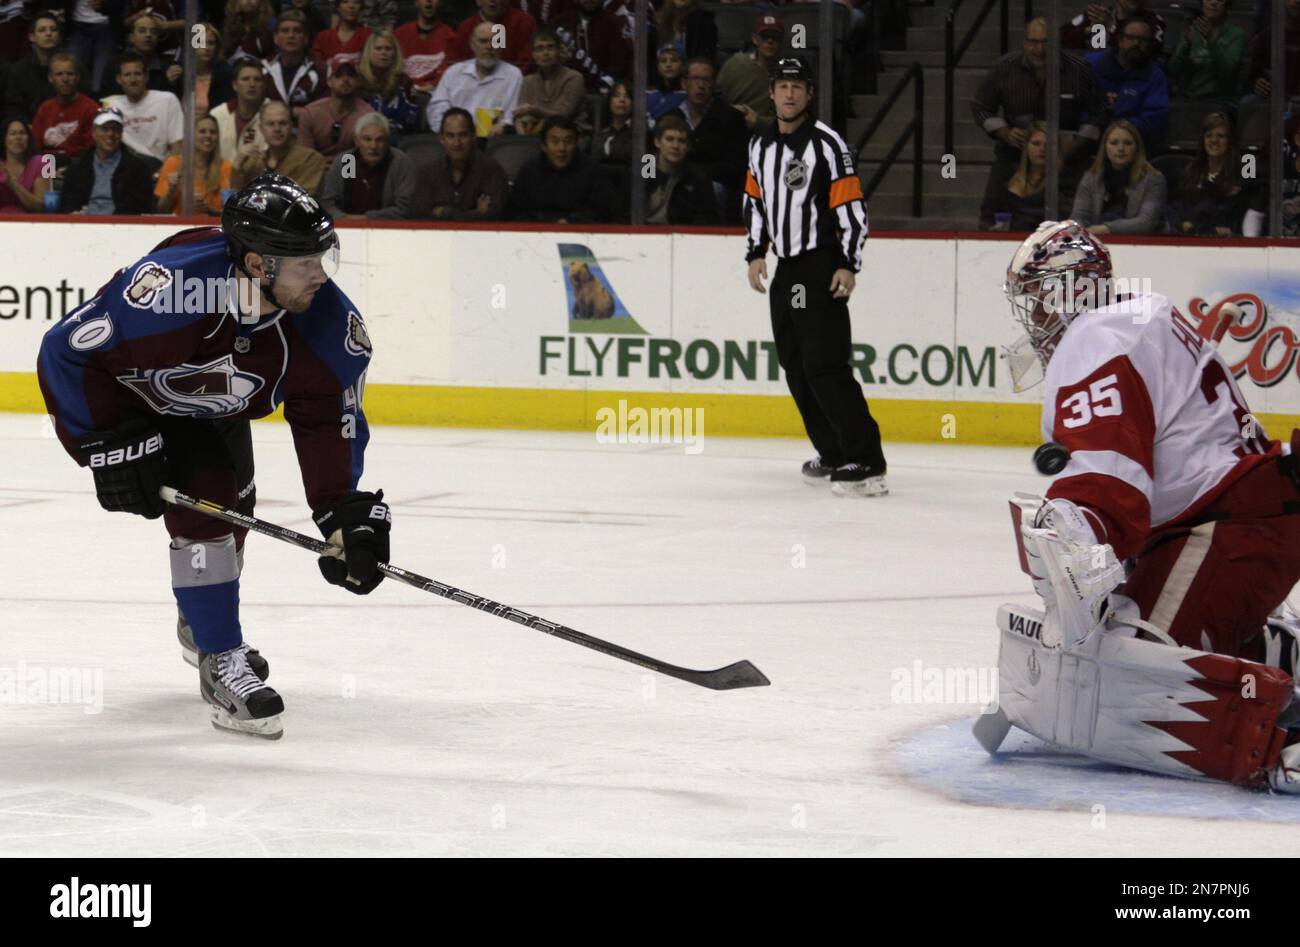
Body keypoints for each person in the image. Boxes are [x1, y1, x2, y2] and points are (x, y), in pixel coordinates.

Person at [37, 171, 387, 740]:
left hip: (214, 407)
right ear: (257, 266)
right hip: (133, 401)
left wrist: (340, 510)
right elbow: (65, 352)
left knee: (235, 512)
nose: (321, 276)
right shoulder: (167, 294)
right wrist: (103, 445)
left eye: (324, 258)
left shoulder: (327, 325)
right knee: (208, 508)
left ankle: (202, 624)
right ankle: (222, 659)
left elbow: (328, 419)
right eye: (305, 264)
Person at [996, 219, 1300, 791]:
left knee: (1130, 676)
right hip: (1240, 516)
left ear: (1072, 290)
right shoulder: (1139, 316)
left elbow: (1114, 479)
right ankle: (1270, 648)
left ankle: (1281, 743)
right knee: (1129, 641)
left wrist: (1076, 529)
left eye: (1037, 299)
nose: (1032, 318)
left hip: (1229, 528)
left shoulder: (1094, 337)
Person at [743, 58, 885, 497]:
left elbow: (852, 210)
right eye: (782, 86)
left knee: (825, 364)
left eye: (797, 87)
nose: (789, 94)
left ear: (809, 94)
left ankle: (866, 459)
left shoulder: (827, 144)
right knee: (795, 365)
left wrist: (848, 263)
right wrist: (755, 251)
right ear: (771, 92)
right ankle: (835, 451)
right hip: (786, 268)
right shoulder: (760, 144)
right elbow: (754, 199)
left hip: (819, 264)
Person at [972, 17, 1111, 229]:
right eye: (1033, 42)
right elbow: (981, 107)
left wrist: (1078, 142)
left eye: (1047, 42)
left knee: (1072, 213)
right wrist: (1004, 132)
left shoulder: (1079, 69)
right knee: (991, 210)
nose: (1039, 49)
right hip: (1015, 151)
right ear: (1024, 41)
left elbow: (1101, 111)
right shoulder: (1004, 68)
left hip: (1068, 155)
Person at [678, 56, 748, 220]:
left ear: (714, 84)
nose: (701, 85)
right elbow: (651, 158)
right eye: (695, 79)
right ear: (684, 83)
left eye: (706, 79)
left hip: (716, 196)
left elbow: (738, 166)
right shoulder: (672, 116)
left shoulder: (732, 118)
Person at [1087, 17, 1170, 152]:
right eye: (1131, 38)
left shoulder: (1155, 76)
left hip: (1131, 145)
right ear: (1120, 40)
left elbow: (1154, 117)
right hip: (1090, 140)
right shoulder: (1092, 64)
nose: (1136, 43)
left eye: (1143, 40)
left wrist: (1120, 129)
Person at [1068, 119, 1166, 233]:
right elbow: (1078, 217)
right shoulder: (1090, 177)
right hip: (1096, 240)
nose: (1120, 149)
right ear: (1105, 147)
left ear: (1137, 148)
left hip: (1140, 245)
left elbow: (1146, 221)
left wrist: (1107, 229)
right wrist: (1075, 228)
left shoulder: (1153, 179)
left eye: (1128, 143)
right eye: (1114, 143)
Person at [425, 21, 523, 135]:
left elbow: (514, 114)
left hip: (495, 142)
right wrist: (449, 132)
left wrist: (505, 126)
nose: (489, 46)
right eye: (483, 41)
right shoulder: (454, 73)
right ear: (472, 44)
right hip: (455, 141)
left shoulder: (514, 75)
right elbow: (436, 110)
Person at [1165, 111, 1254, 236]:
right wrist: (1182, 223)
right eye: (1209, 135)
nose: (1214, 140)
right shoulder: (1191, 170)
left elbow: (1247, 210)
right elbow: (1176, 206)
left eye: (1221, 136)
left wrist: (1231, 230)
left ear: (1230, 141)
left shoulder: (1245, 169)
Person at [509, 115, 612, 221]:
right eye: (555, 142)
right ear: (544, 146)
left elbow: (603, 212)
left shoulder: (592, 170)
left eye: (568, 142)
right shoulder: (530, 169)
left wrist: (571, 220)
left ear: (577, 144)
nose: (562, 148)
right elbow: (516, 212)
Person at [58, 107, 156, 215]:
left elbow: (142, 207)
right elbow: (66, 204)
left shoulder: (138, 169)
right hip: (84, 226)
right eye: (105, 129)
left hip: (122, 227)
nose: (110, 134)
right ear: (94, 133)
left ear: (121, 133)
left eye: (115, 129)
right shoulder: (77, 167)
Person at [418, 106, 508, 219]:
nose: (457, 143)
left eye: (463, 135)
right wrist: (476, 214)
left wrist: (443, 212)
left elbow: (493, 216)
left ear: (473, 136)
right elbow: (419, 215)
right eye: (450, 136)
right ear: (442, 139)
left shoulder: (491, 171)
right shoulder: (429, 172)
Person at [321, 112, 417, 218]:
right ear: (356, 140)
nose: (373, 146)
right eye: (367, 139)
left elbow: (405, 208)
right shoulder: (348, 161)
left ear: (388, 141)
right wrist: (344, 218)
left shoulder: (399, 162)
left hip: (389, 229)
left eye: (380, 140)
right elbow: (328, 202)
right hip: (346, 227)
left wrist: (367, 218)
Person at [101, 53, 185, 162]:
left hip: (160, 166)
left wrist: (162, 173)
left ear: (146, 77)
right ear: (119, 79)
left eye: (138, 74)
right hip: (127, 168)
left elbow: (178, 146)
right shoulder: (111, 105)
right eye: (127, 75)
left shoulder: (167, 100)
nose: (133, 79)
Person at [233, 99, 328, 194]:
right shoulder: (254, 162)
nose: (277, 129)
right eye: (270, 124)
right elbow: (236, 197)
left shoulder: (310, 159)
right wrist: (237, 166)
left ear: (291, 126)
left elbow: (303, 200)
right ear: (261, 129)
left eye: (283, 123)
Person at [296, 56, 375, 160]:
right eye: (338, 75)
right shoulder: (310, 113)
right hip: (316, 169)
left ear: (358, 81)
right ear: (329, 81)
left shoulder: (368, 116)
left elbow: (366, 158)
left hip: (351, 170)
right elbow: (305, 156)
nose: (345, 79)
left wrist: (338, 171)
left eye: (351, 75)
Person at [645, 112, 717, 224]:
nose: (675, 146)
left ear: (687, 147)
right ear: (657, 142)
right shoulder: (643, 169)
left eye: (681, 141)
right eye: (669, 139)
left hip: (681, 237)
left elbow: (707, 221)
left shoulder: (697, 178)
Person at [154, 114, 234, 214]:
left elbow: (232, 213)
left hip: (213, 227)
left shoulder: (227, 166)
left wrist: (209, 210)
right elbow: (162, 210)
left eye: (213, 132)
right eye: (202, 131)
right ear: (191, 136)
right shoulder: (174, 163)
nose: (208, 135)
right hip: (182, 227)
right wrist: (171, 191)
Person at [717, 13, 784, 132]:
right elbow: (716, 100)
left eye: (775, 37)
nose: (770, 41)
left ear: (781, 41)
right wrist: (731, 112)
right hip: (731, 130)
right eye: (765, 36)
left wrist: (759, 121)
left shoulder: (786, 73)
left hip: (770, 135)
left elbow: (790, 119)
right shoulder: (735, 64)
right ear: (755, 39)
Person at [1166, 0, 1245, 101]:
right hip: (1187, 98)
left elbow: (1226, 73)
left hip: (1219, 100)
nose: (1213, 2)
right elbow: (1173, 69)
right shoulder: (1191, 30)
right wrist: (1186, 45)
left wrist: (1211, 42)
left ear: (1226, 4)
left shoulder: (1236, 34)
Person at [983, 120, 1055, 231]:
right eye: (1036, 143)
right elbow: (989, 215)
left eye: (1048, 145)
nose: (1042, 149)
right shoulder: (1006, 177)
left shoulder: (1063, 182)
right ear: (1026, 147)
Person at [31, 53, 100, 163]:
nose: (65, 79)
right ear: (50, 78)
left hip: (78, 166)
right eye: (59, 74)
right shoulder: (45, 108)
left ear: (77, 77)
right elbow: (35, 147)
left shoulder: (91, 109)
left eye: (70, 74)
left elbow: (92, 151)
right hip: (47, 164)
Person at [514, 28, 584, 135]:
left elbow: (561, 116)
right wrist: (523, 138)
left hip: (569, 134)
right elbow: (521, 117)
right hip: (532, 136)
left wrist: (532, 110)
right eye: (540, 49)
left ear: (559, 51)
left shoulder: (574, 78)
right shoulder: (527, 81)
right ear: (533, 55)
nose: (545, 53)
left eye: (550, 47)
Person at [554, 0, 631, 92]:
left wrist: (604, 86)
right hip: (566, 89)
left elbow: (618, 66)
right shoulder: (560, 23)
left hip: (602, 92)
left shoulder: (614, 24)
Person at [359, 30, 424, 139]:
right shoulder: (359, 80)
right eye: (378, 48)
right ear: (369, 52)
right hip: (363, 135)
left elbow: (411, 118)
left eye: (388, 49)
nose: (383, 53)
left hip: (396, 136)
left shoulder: (404, 82)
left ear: (395, 53)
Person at [263, 9, 326, 115]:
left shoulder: (320, 70)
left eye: (297, 31)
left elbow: (322, 113)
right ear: (275, 38)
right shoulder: (263, 68)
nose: (291, 36)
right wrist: (293, 111)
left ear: (306, 38)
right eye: (285, 31)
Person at [166, 22, 234, 114]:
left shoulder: (225, 76)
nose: (206, 47)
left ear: (217, 47)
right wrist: (170, 83)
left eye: (211, 43)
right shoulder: (179, 73)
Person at [452, 0, 537, 71]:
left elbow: (527, 63)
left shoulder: (525, 23)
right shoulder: (466, 28)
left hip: (515, 83)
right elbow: (458, 64)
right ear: (477, 1)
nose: (492, 1)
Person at [394, 0, 458, 93]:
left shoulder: (450, 37)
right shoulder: (399, 34)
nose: (429, 1)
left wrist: (432, 86)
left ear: (440, 2)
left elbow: (451, 72)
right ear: (416, 2)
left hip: (435, 93)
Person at [213, 60, 269, 164]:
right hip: (221, 178)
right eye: (245, 79)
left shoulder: (274, 115)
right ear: (235, 85)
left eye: (257, 80)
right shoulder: (217, 115)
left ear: (263, 85)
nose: (252, 84)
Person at [66, 0, 124, 94]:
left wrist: (106, 4)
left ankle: (98, 105)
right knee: (69, 74)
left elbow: (122, 5)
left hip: (107, 26)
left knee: (101, 80)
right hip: (76, 25)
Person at [0, 117, 49, 214]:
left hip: (30, 223)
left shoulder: (42, 162)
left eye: (22, 133)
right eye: (13, 133)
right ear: (4, 139)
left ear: (28, 138)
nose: (18, 138)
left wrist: (14, 185)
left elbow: (41, 207)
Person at [313, 0, 373, 64]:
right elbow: (317, 64)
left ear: (361, 8)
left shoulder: (369, 36)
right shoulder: (323, 37)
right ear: (338, 8)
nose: (351, 6)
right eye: (345, 1)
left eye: (356, 2)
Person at [594, 79, 637, 164]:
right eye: (617, 95)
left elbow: (648, 171)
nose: (622, 100)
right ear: (609, 101)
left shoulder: (641, 135)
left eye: (627, 96)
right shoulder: (599, 133)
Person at [646, 40, 686, 124]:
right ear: (658, 68)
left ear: (683, 66)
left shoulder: (688, 96)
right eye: (663, 61)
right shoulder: (649, 94)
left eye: (674, 60)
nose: (668, 65)